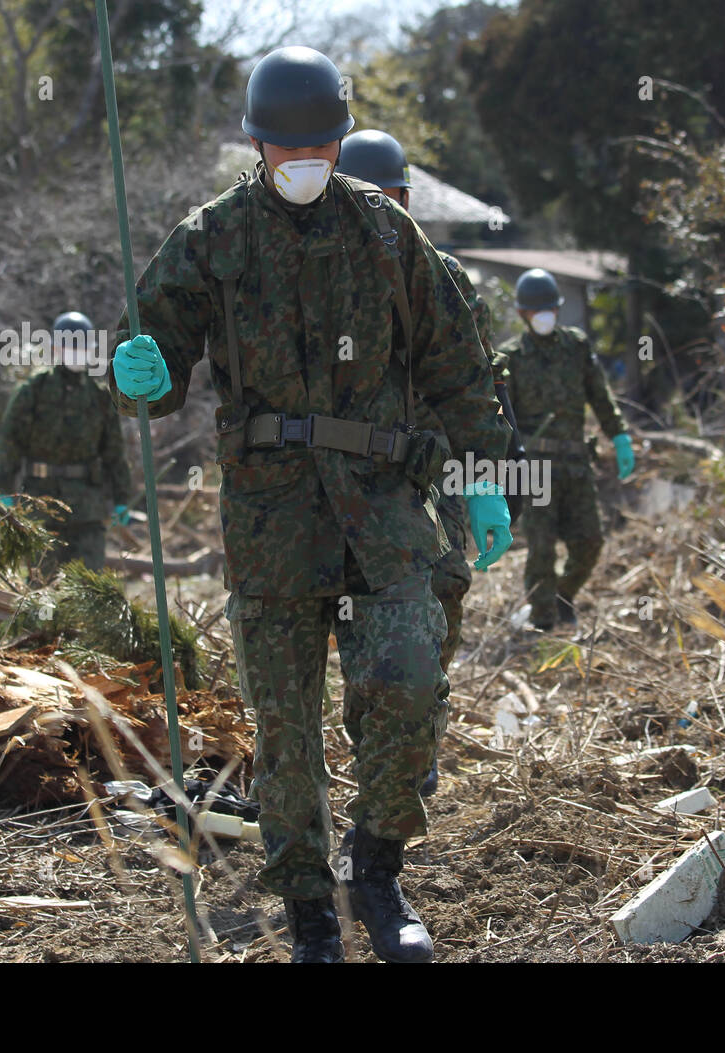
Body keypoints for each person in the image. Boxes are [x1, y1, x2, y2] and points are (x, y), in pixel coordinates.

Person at [107, 46, 512, 962]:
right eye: (285, 148)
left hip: (383, 508)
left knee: (408, 682)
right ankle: (309, 910)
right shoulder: (211, 237)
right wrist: (139, 371)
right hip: (271, 519)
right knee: (284, 730)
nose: (303, 163)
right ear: (254, 142)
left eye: (320, 146)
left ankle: (377, 869)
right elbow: (154, 360)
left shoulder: (387, 233)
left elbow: (456, 360)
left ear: (338, 141)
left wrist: (483, 475)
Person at [335, 129, 526, 798]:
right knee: (367, 620)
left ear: (406, 198)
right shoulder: (321, 279)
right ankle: (381, 749)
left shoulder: (445, 274)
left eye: (388, 197)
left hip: (437, 472)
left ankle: (417, 741)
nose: (377, 211)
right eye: (363, 198)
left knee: (444, 594)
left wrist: (489, 477)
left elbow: (475, 380)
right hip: (351, 481)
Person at [496, 268, 633, 631]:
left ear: (557, 310)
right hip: (535, 470)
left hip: (576, 465)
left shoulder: (577, 347)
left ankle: (562, 597)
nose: (543, 315)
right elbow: (499, 417)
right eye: (534, 309)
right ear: (523, 314)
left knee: (590, 541)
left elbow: (600, 397)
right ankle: (542, 622)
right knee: (541, 549)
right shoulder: (510, 358)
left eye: (549, 309)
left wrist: (618, 435)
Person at [0, 311, 131, 579]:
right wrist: (3, 490)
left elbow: (114, 453)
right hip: (40, 502)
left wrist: (122, 499)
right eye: (71, 346)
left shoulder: (100, 397)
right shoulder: (33, 390)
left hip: (88, 508)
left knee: (88, 586)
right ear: (56, 348)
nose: (78, 352)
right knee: (42, 583)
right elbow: (10, 441)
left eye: (84, 346)